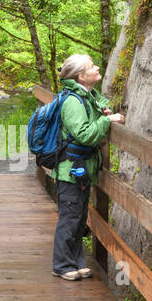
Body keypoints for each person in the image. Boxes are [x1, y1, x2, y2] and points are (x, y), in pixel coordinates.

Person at [51, 54, 123, 280]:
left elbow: (101, 104)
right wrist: (106, 121)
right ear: (81, 76)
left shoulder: (87, 94)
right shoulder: (73, 101)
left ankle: (76, 263)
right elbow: (84, 134)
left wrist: (104, 112)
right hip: (70, 169)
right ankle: (62, 265)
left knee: (79, 217)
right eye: (92, 67)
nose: (97, 68)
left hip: (81, 169)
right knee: (70, 217)